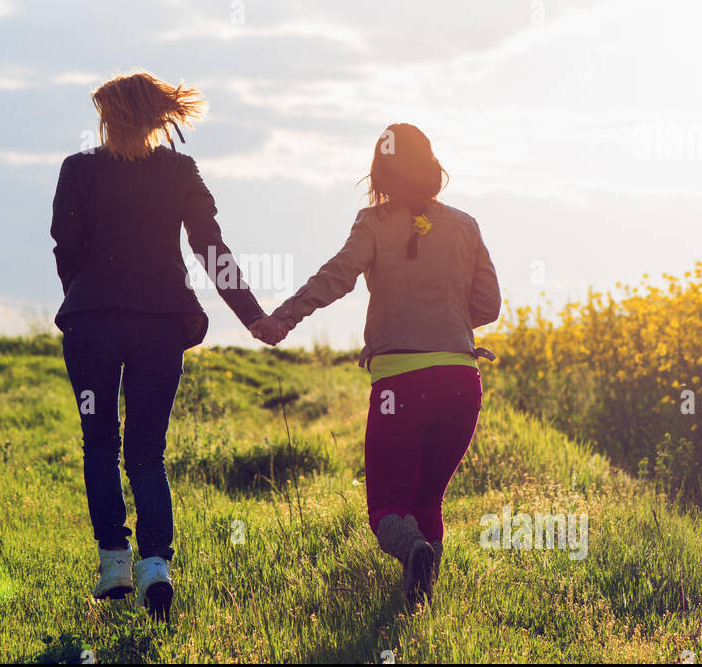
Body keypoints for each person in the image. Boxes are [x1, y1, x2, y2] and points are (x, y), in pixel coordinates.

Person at [50, 70, 274, 621]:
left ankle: (113, 563)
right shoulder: (179, 171)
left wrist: (87, 297)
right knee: (148, 452)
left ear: (107, 116)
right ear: (158, 117)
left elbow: (65, 247)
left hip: (91, 326)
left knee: (99, 443)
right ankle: (156, 568)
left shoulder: (77, 170)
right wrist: (253, 318)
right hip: (159, 325)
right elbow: (210, 248)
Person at [251, 123, 501, 603]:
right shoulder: (466, 225)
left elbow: (337, 277)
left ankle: (412, 555)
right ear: (431, 165)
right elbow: (488, 306)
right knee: (429, 498)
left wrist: (282, 319)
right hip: (460, 382)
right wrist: (442, 317)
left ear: (380, 170)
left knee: (388, 505)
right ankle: (421, 601)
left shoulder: (373, 223)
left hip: (398, 388)